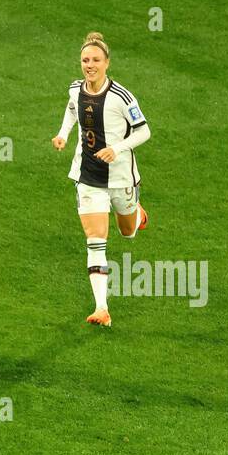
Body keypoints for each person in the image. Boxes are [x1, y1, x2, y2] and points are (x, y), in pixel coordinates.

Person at [51, 31, 151, 328]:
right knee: (95, 241)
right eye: (85, 60)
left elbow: (144, 131)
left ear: (107, 63)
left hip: (120, 177)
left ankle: (137, 215)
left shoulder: (122, 97)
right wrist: (62, 135)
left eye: (95, 60)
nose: (89, 65)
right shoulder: (75, 89)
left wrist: (116, 149)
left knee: (128, 233)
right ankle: (101, 308)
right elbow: (72, 111)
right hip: (88, 177)